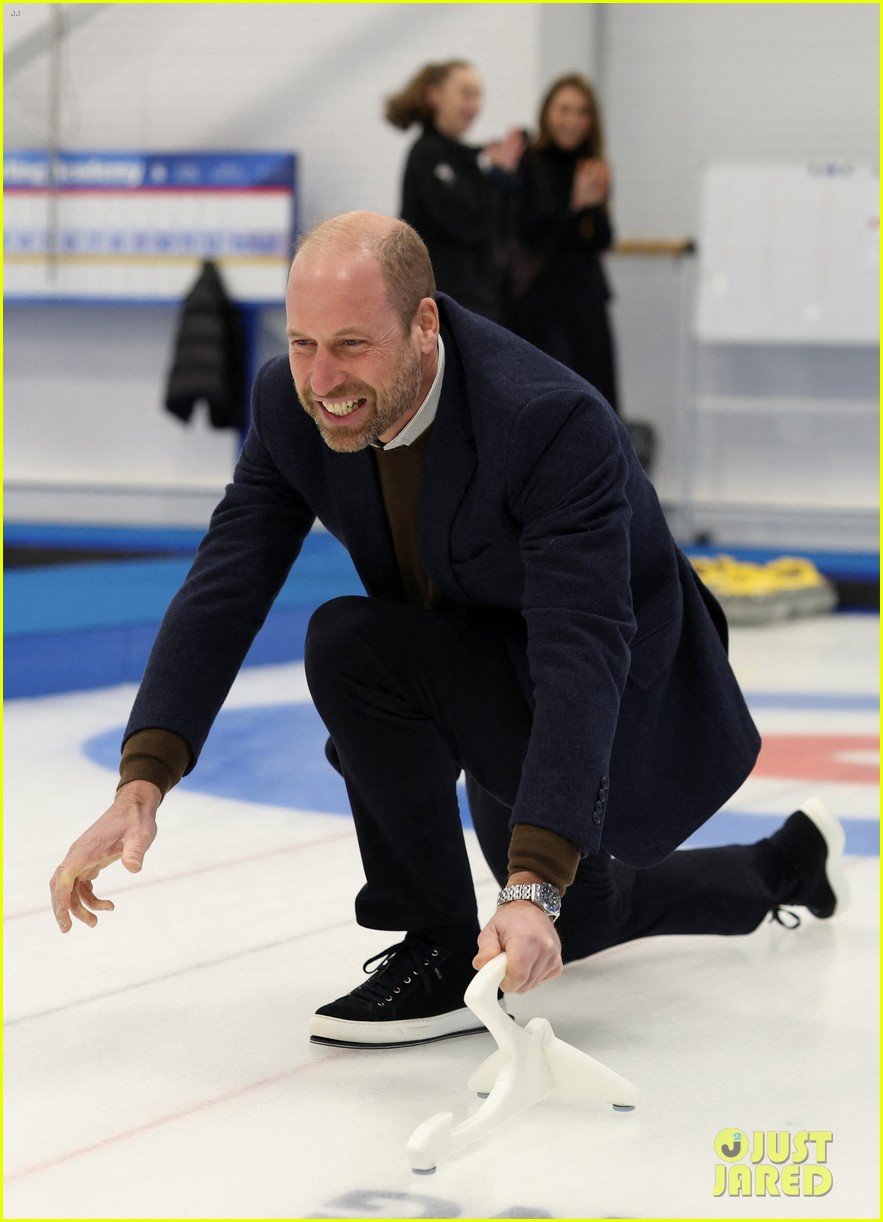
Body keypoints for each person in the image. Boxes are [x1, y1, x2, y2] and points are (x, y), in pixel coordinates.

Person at [50, 212, 849, 1052]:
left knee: (542, 886)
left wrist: (533, 880)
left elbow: (582, 648)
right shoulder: (290, 403)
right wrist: (143, 780)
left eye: (351, 345)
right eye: (302, 343)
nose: (322, 378)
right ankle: (779, 863)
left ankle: (445, 951)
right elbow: (227, 579)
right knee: (566, 904)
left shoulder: (546, 420)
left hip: (619, 690)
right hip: (481, 657)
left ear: (424, 323)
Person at [509, 73, 619, 411]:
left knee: (596, 398)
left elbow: (602, 240)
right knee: (555, 399)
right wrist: (574, 205)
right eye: (564, 109)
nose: (572, 120)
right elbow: (527, 233)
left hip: (586, 298)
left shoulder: (591, 166)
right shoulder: (530, 162)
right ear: (547, 113)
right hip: (543, 302)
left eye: (582, 112)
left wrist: (593, 205)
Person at [385, 60, 525, 322]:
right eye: (466, 94)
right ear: (435, 96)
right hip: (444, 305)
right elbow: (466, 223)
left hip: (475, 302)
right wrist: (496, 177)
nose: (474, 105)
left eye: (478, 96)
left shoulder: (465, 158)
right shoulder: (428, 155)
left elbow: (499, 226)